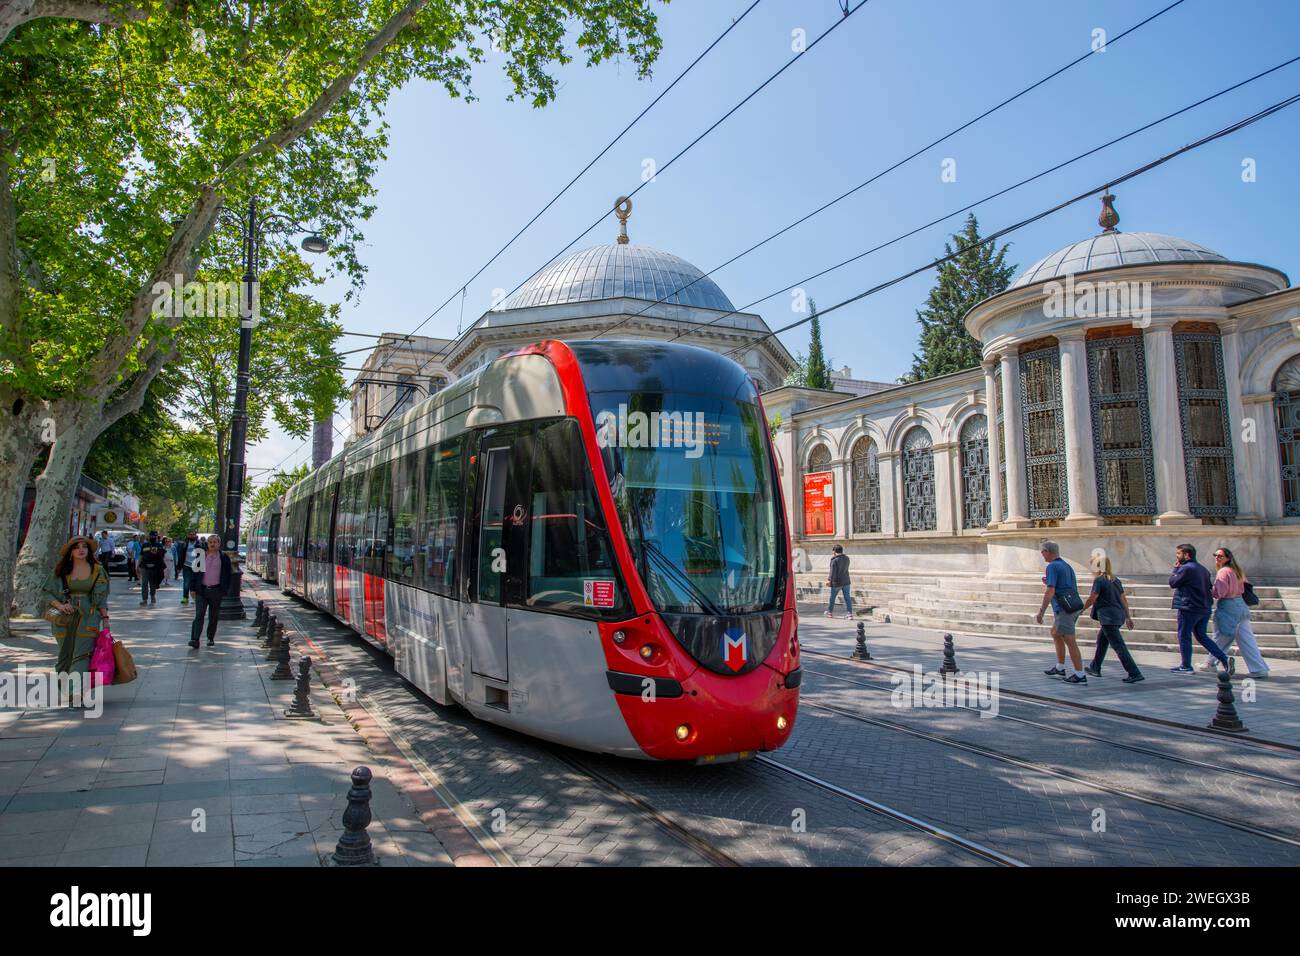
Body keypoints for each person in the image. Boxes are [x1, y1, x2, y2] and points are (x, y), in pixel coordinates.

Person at [40, 536, 110, 679]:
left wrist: (105, 618)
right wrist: (60, 605)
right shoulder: (60, 571)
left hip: (88, 618)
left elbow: (102, 597)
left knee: (82, 656)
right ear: (70, 552)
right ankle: (67, 687)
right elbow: (46, 592)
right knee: (66, 656)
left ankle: (76, 693)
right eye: (77, 547)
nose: (81, 550)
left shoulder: (98, 570)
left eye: (84, 546)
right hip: (64, 619)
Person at [1204, 547, 1270, 678]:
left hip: (1228, 606)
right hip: (1241, 605)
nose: (1217, 558)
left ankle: (1211, 663)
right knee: (1246, 639)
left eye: (1220, 556)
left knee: (1221, 636)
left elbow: (1219, 593)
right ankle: (1259, 668)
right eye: (1215, 555)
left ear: (1227, 558)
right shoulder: (1237, 571)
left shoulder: (1223, 572)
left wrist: (1209, 589)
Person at [1168, 543, 1231, 675]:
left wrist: (1175, 570)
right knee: (1201, 636)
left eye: (1179, 554)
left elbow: (1173, 583)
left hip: (1189, 607)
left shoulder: (1186, 568)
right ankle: (1224, 659)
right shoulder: (1203, 569)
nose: (1177, 556)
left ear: (1187, 555)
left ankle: (1186, 666)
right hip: (1203, 607)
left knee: (1184, 635)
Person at [1082, 550, 1144, 684]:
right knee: (1102, 642)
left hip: (1107, 618)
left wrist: (1081, 609)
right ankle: (1095, 667)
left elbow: (1092, 598)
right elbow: (1123, 599)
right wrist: (1127, 617)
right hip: (1117, 615)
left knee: (1119, 646)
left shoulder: (1099, 580)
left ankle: (1134, 672)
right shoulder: (1116, 580)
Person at [1035, 539, 1087, 684]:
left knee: (1069, 640)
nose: (1042, 554)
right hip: (1073, 606)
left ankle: (1080, 674)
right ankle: (1060, 667)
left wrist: (1041, 612)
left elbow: (1050, 591)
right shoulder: (1065, 565)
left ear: (1048, 552)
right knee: (1055, 633)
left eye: (1043, 551)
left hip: (1064, 608)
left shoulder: (1052, 567)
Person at [189, 535, 233, 648]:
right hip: (201, 590)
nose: (212, 544)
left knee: (213, 616)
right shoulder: (201, 556)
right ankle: (195, 639)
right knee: (199, 615)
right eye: (210, 542)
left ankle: (210, 637)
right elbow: (194, 573)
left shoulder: (224, 557)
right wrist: (192, 588)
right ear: (207, 544)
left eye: (215, 542)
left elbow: (228, 574)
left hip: (216, 590)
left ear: (219, 544)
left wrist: (224, 589)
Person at [824, 545, 854, 620]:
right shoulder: (847, 558)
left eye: (833, 551)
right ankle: (850, 614)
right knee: (847, 598)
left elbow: (832, 572)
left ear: (834, 551)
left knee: (832, 598)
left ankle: (830, 613)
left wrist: (829, 580)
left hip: (837, 582)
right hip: (846, 581)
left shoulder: (834, 560)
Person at [138, 530, 167, 606]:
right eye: (151, 536)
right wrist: (138, 566)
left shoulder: (159, 545)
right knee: (144, 584)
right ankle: (144, 600)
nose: (152, 537)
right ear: (149, 537)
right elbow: (141, 555)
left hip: (154, 567)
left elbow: (162, 556)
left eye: (154, 536)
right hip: (144, 567)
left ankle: (153, 597)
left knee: (152, 584)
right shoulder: (145, 545)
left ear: (157, 537)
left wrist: (157, 553)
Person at [176, 531, 198, 605]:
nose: (192, 536)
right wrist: (179, 567)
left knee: (195, 582)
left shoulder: (200, 544)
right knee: (186, 582)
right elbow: (180, 555)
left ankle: (195, 598)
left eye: (193, 534)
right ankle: (185, 598)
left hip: (196, 566)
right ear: (188, 535)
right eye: (190, 534)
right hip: (186, 565)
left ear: (196, 535)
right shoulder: (184, 544)